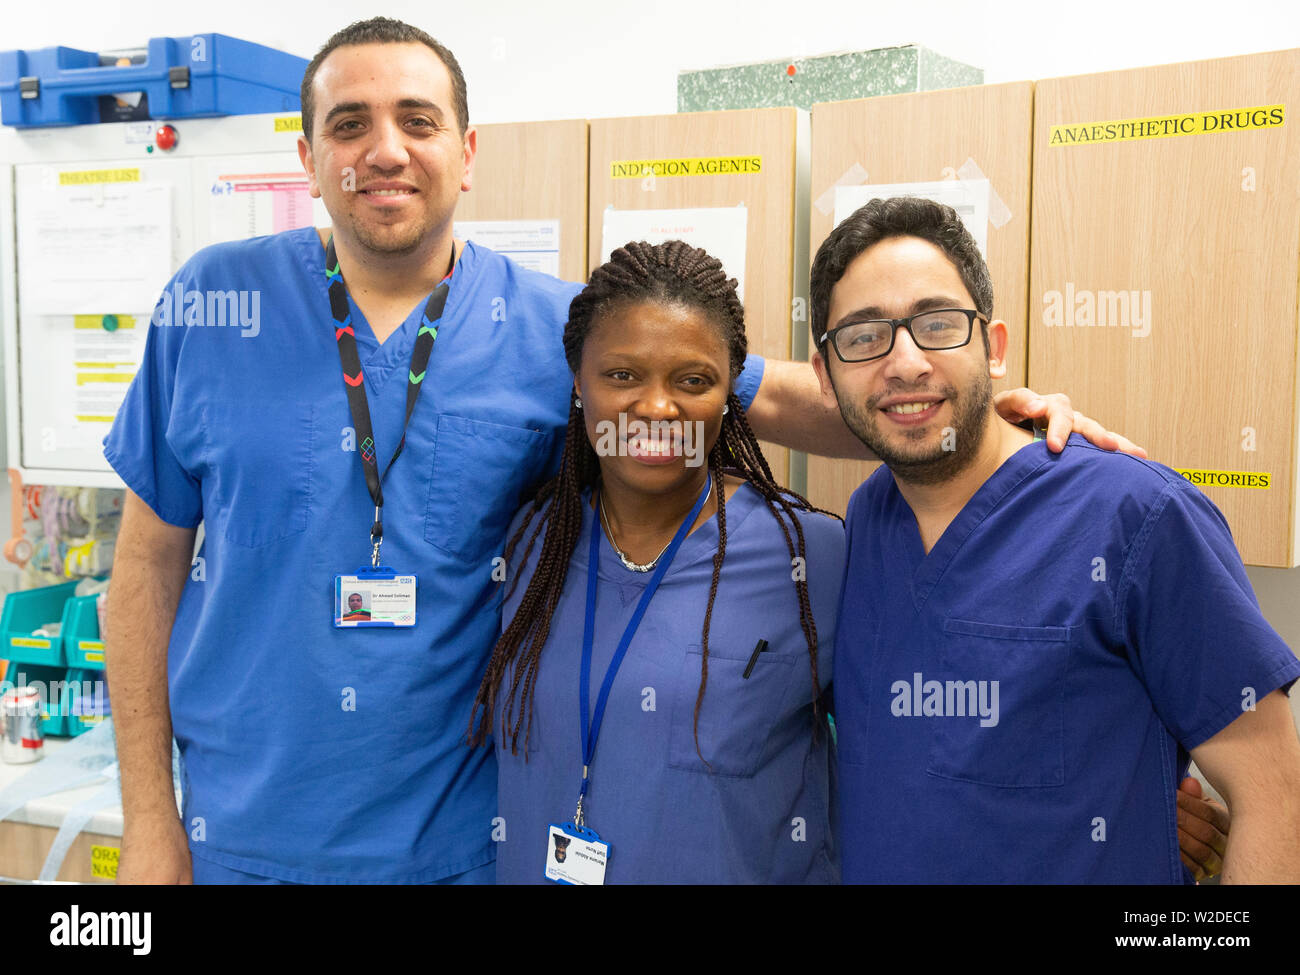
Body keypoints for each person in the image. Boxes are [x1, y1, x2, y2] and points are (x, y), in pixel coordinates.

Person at [102, 17, 1128, 885]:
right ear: (308, 158)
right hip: (236, 838)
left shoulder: (559, 330)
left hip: (457, 845)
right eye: (348, 124)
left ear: (467, 152)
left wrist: (983, 415)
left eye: (418, 121)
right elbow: (141, 573)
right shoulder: (209, 308)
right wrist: (151, 823)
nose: (384, 150)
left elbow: (767, 393)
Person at [810, 196, 1300, 883]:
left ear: (995, 345)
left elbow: (1275, 799)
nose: (906, 361)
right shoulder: (864, 525)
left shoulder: (1137, 516)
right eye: (863, 336)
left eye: (938, 323)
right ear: (825, 375)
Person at [474, 241, 844, 883]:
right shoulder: (531, 541)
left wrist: (1006, 443)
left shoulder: (810, 557)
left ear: (731, 393)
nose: (656, 408)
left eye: (693, 381)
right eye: (621, 375)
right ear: (578, 382)